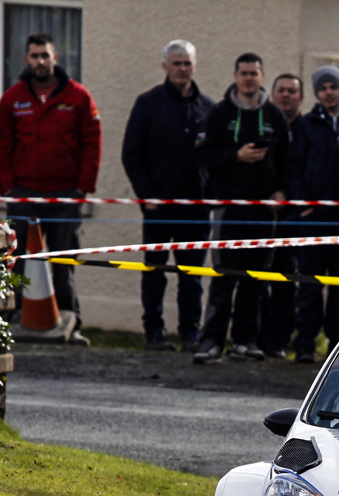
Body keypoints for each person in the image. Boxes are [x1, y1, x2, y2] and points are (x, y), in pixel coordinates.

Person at [0, 32, 100, 344]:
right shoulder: (11, 98)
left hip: (64, 195)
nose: (41, 61)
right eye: (34, 55)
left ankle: (71, 324)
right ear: (26, 59)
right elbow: (3, 146)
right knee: (16, 261)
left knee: (63, 260)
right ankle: (9, 325)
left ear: (56, 58)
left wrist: (82, 189)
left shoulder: (78, 96)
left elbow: (92, 144)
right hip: (23, 195)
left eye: (46, 55)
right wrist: (8, 188)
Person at [193, 52, 291, 364]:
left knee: (255, 278)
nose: (249, 78)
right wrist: (237, 157)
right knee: (224, 276)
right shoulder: (219, 113)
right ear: (236, 76)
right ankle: (210, 341)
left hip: (263, 212)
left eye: (254, 73)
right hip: (228, 208)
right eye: (244, 73)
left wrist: (280, 191)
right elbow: (203, 155)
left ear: (262, 77)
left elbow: (287, 160)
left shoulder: (274, 115)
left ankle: (245, 340)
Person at [121, 39, 213, 352]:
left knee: (193, 278)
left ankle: (190, 334)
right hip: (159, 207)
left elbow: (216, 158)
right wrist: (147, 195)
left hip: (197, 209)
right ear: (165, 67)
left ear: (195, 66)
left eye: (187, 63)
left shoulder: (209, 107)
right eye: (176, 63)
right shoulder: (148, 104)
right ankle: (154, 333)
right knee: (155, 273)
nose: (182, 69)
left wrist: (210, 193)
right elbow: (131, 154)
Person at [291, 66, 339, 363]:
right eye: (323, 88)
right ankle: (304, 344)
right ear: (317, 93)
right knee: (309, 285)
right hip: (313, 219)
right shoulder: (306, 125)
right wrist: (304, 203)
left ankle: (336, 349)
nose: (329, 92)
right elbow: (296, 167)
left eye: (333, 86)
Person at [260, 72, 306, 358]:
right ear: (273, 94)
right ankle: (258, 339)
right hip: (262, 213)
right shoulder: (263, 123)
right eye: (281, 91)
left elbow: (304, 168)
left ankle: (280, 340)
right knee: (257, 279)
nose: (286, 95)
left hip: (295, 215)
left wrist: (287, 194)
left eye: (292, 91)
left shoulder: (308, 128)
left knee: (286, 282)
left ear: (300, 97)